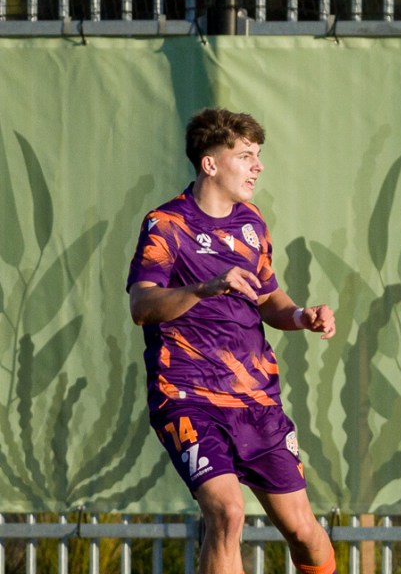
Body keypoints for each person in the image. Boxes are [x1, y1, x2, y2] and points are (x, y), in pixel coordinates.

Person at [128, 108, 339, 574]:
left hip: (255, 400)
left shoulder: (252, 222)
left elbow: (268, 297)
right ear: (210, 164)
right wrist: (203, 288)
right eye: (246, 155)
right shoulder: (166, 225)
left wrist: (303, 315)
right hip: (186, 396)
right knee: (227, 512)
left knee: (304, 531)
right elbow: (142, 307)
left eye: (258, 155)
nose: (257, 166)